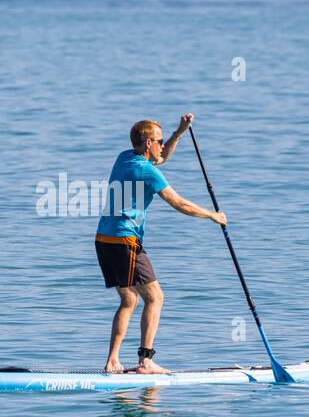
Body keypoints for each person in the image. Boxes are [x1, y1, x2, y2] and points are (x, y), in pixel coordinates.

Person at [95, 114, 227, 374]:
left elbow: (162, 157)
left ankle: (112, 361)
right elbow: (179, 203)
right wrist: (212, 215)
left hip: (104, 240)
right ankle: (146, 361)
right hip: (125, 240)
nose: (162, 145)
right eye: (159, 141)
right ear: (147, 145)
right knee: (155, 297)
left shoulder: (124, 157)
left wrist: (179, 132)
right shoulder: (146, 170)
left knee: (129, 300)